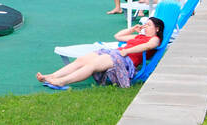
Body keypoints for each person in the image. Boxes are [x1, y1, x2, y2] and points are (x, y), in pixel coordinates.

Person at [36, 17, 164, 90]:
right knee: (81, 60)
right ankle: (52, 76)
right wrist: (132, 29)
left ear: (157, 28)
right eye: (145, 25)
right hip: (115, 53)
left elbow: (148, 46)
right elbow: (118, 36)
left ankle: (62, 81)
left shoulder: (155, 39)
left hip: (125, 60)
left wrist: (127, 50)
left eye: (148, 25)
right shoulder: (138, 37)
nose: (145, 27)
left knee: (91, 65)